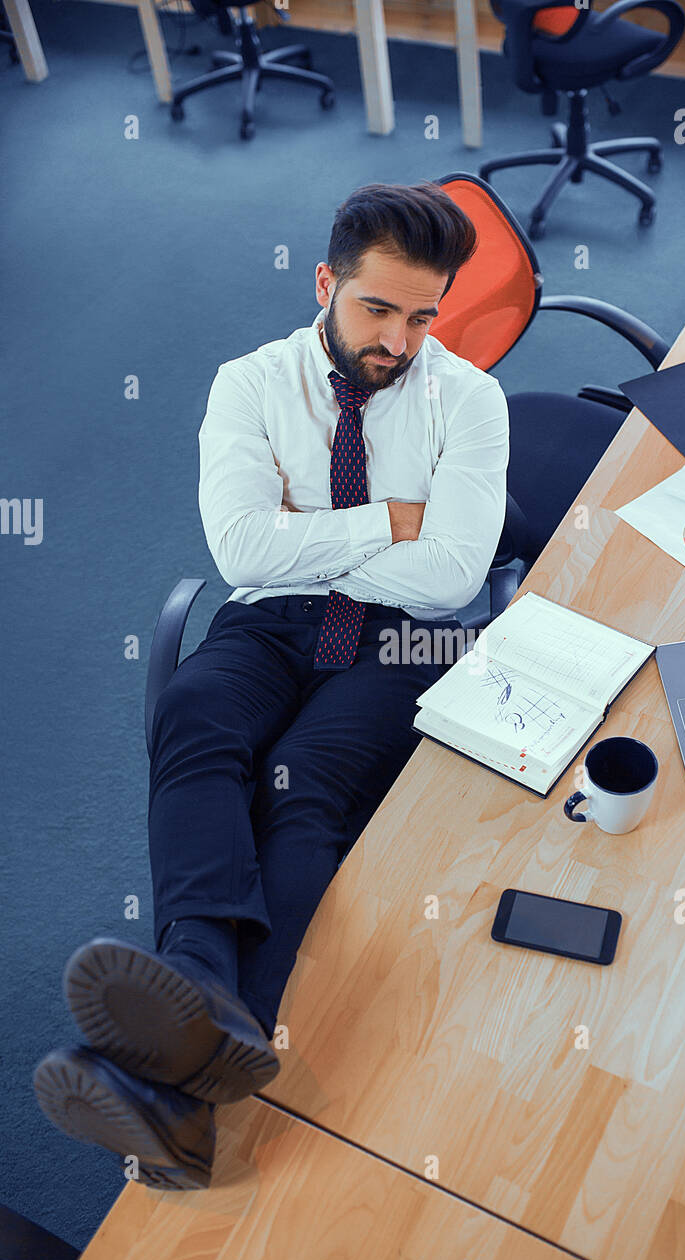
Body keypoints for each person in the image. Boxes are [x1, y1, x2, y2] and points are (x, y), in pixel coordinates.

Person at [33, 180, 510, 1189]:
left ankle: (180, 1074)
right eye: (377, 309)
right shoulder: (247, 383)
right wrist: (396, 518)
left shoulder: (467, 398)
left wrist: (312, 540)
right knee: (196, 712)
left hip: (405, 637)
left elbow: (455, 577)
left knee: (297, 783)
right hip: (268, 616)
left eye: (423, 315)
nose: (400, 339)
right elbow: (240, 545)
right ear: (327, 281)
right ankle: (206, 995)